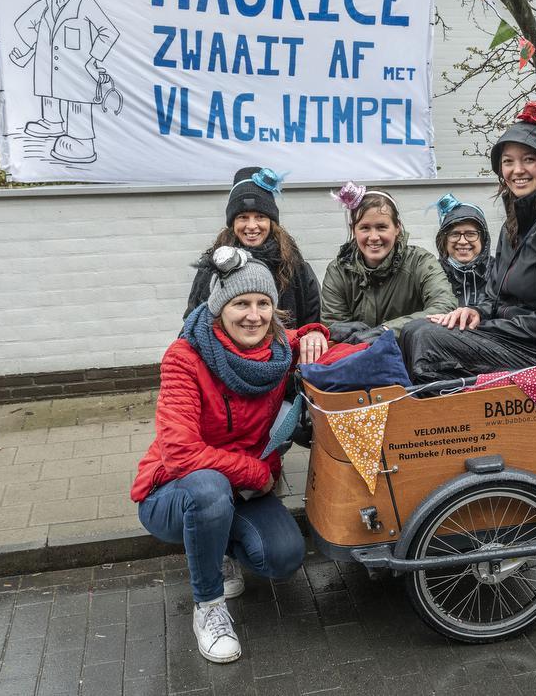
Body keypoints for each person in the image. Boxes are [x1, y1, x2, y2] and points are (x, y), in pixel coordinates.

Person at [132, 247, 327, 663]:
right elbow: (181, 453)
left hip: (242, 489)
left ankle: (216, 544)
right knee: (208, 489)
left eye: (263, 304)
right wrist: (254, 472)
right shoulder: (185, 357)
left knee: (283, 557)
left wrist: (318, 333)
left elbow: (318, 341)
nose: (253, 315)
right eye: (241, 303)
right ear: (220, 308)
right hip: (174, 490)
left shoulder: (276, 351)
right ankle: (209, 606)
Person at [400, 97, 536, 382]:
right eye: (508, 161)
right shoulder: (514, 222)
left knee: (428, 340)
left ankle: (453, 421)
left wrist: (487, 327)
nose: (517, 170)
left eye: (529, 159)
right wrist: (474, 312)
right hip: (524, 339)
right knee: (415, 329)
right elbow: (494, 296)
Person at [186, 167, 326, 364]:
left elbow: (313, 320)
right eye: (243, 217)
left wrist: (313, 334)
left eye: (260, 217)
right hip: (226, 367)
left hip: (283, 368)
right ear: (232, 222)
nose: (252, 226)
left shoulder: (295, 267)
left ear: (272, 221)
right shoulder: (213, 267)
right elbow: (193, 321)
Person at [10, 0, 120, 164]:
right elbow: (23, 23)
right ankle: (51, 122)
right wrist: (30, 51)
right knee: (48, 92)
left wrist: (93, 60)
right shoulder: (48, 1)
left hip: (77, 68)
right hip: (49, 63)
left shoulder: (84, 2)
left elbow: (108, 32)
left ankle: (82, 141)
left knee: (77, 103)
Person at [320, 183, 457, 344]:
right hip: (357, 357)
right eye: (364, 228)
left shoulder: (420, 261)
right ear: (353, 229)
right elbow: (334, 325)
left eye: (381, 227)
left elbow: (445, 306)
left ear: (397, 228)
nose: (373, 237)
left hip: (412, 357)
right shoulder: (338, 271)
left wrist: (386, 331)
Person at [432, 193, 492, 307]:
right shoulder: (432, 274)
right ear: (444, 240)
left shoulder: (498, 272)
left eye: (471, 234)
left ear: (483, 239)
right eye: (454, 234)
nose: (463, 241)